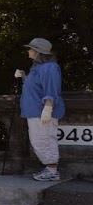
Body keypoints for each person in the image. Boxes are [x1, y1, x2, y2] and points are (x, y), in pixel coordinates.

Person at [18, 37, 65, 181]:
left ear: (38, 52)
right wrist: (24, 77)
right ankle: (50, 168)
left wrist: (48, 108)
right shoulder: (39, 68)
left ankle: (52, 171)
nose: (28, 51)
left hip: (41, 111)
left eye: (31, 49)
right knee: (39, 140)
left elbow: (51, 89)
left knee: (44, 140)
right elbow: (36, 87)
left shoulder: (49, 68)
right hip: (35, 110)